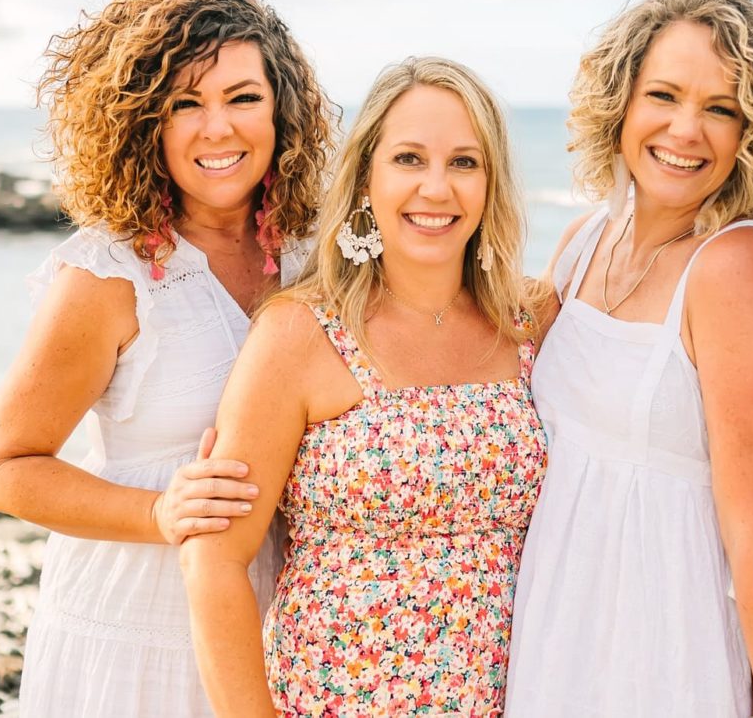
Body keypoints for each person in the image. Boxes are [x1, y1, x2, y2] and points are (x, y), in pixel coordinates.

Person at [0, 0, 334, 718]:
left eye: (242, 97)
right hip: (130, 634)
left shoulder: (318, 255)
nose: (218, 129)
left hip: (281, 632)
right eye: (184, 104)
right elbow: (5, 469)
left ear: (282, 108)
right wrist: (158, 513)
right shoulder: (110, 273)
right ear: (144, 121)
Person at [181, 56, 549, 717]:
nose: (436, 188)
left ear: (491, 184)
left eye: (464, 162)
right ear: (366, 178)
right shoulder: (300, 332)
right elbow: (214, 560)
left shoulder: (528, 324)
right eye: (409, 158)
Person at [506, 0, 753, 718]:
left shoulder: (735, 267)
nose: (684, 131)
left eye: (720, 109)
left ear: (749, 134)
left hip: (664, 650)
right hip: (554, 634)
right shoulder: (582, 243)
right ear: (622, 101)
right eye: (665, 96)